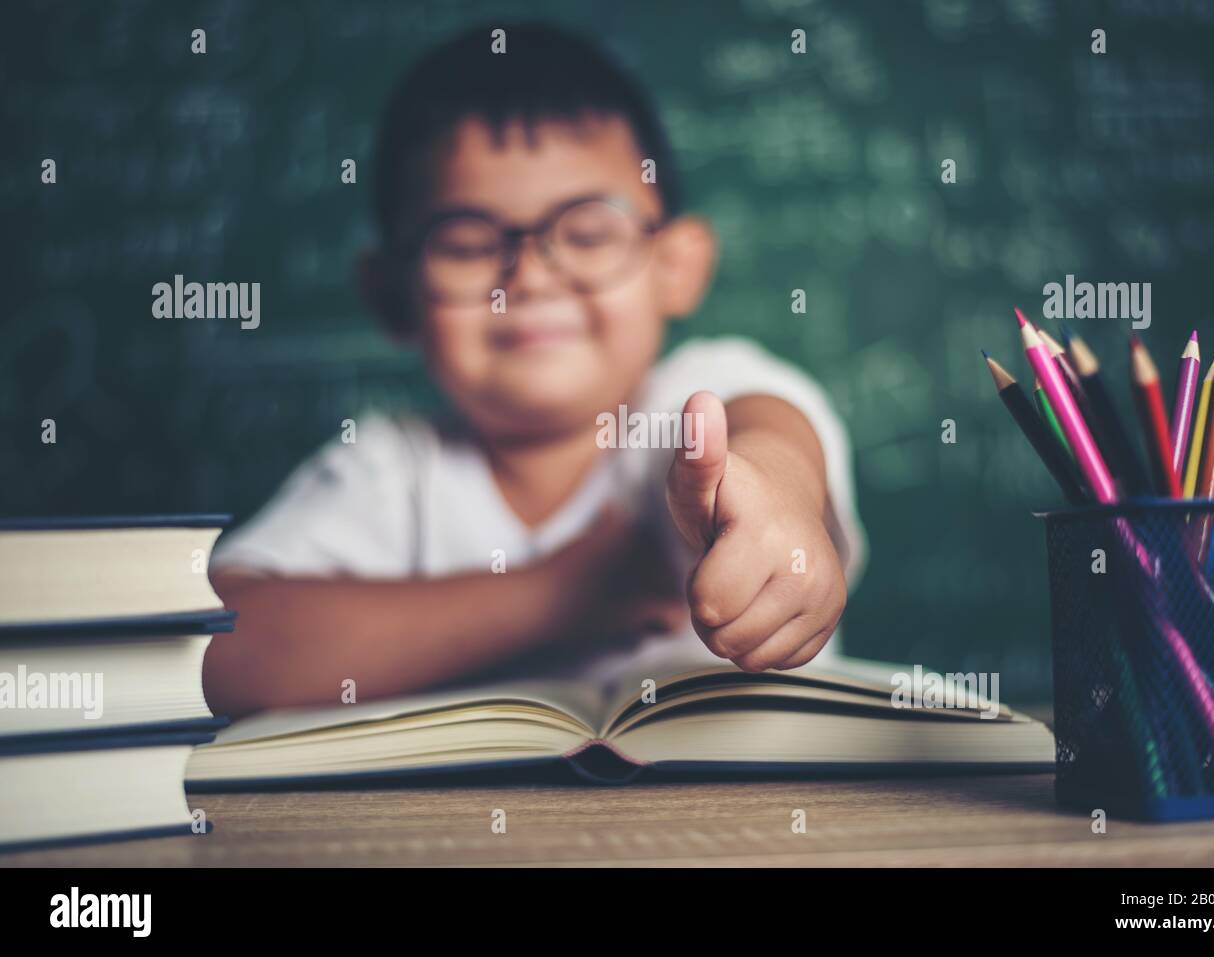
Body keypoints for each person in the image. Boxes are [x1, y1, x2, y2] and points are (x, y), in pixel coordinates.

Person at [203, 23, 865, 717]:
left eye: (586, 233)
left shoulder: (689, 396)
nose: (530, 276)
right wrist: (555, 594)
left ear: (675, 264)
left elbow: (767, 421)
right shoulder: (388, 471)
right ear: (391, 294)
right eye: (466, 244)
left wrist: (783, 500)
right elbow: (220, 649)